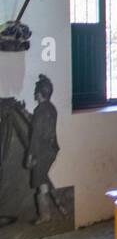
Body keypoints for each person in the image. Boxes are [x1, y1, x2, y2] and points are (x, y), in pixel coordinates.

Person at [25, 74, 64, 225]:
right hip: (51, 150)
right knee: (42, 180)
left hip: (42, 151)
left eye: (36, 90)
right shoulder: (51, 108)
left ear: (39, 93)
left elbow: (35, 136)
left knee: (40, 181)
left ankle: (45, 215)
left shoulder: (39, 111)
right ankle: (48, 212)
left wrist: (30, 155)